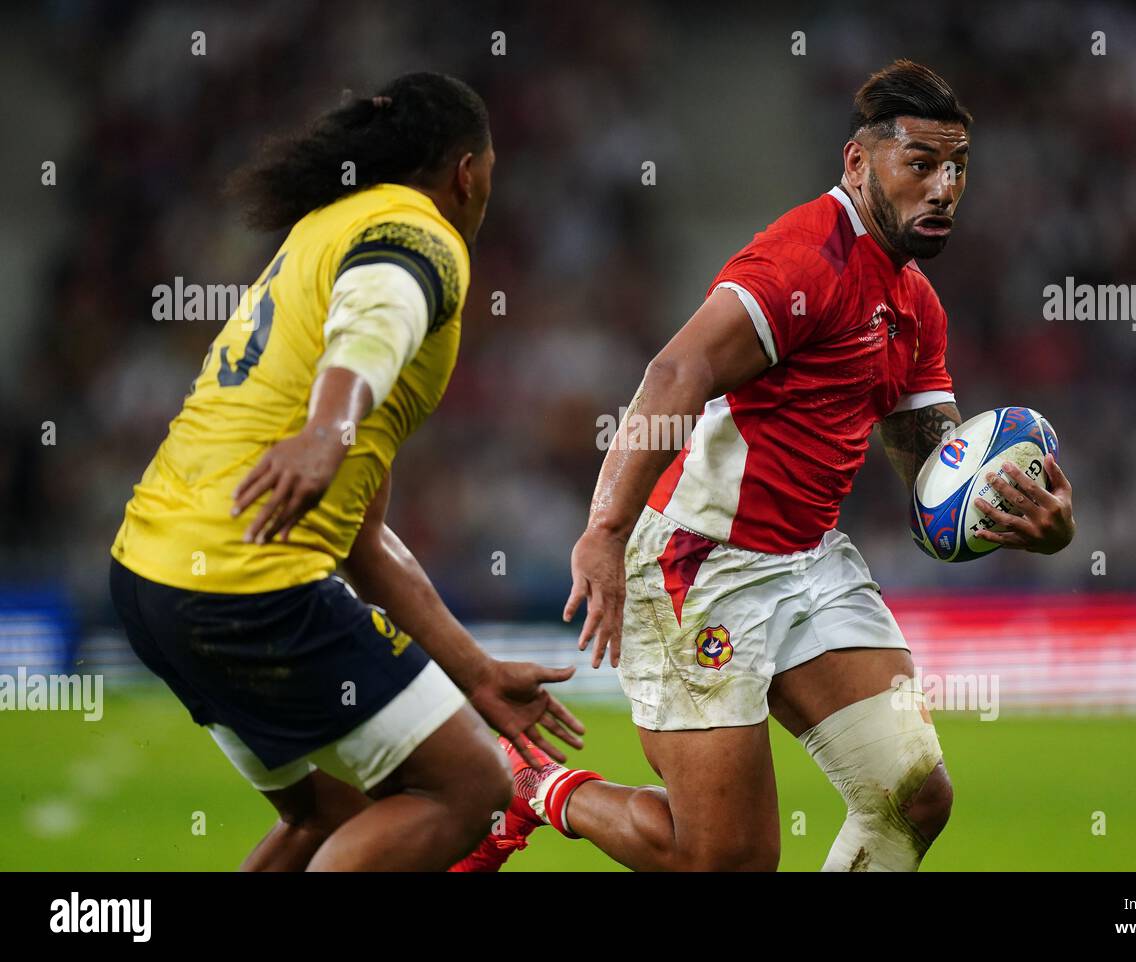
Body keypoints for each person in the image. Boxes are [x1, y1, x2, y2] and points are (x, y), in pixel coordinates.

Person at [458, 59, 1074, 872]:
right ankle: (537, 787)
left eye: (957, 167)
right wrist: (605, 530)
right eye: (920, 163)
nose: (944, 186)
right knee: (725, 859)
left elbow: (937, 484)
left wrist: (1026, 523)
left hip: (807, 561)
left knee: (913, 797)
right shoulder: (802, 261)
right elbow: (674, 376)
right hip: (701, 562)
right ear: (858, 163)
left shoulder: (915, 304)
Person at [109, 72, 582, 872]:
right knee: (466, 791)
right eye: (491, 176)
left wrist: (474, 673)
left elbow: (361, 537)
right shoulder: (418, 233)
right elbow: (381, 312)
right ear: (466, 173)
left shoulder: (322, 228)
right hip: (248, 582)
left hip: (151, 576)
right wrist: (330, 427)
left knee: (330, 815)